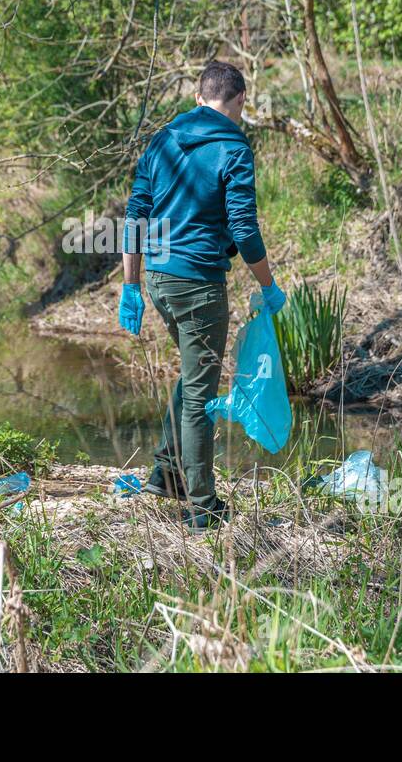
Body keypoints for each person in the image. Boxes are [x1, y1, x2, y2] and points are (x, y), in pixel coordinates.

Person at [118, 59, 286, 532]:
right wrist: (268, 286)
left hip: (159, 280)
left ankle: (165, 474)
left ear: (198, 97)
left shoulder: (161, 140)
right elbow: (244, 229)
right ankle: (201, 504)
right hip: (198, 284)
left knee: (194, 373)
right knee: (200, 392)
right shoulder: (234, 147)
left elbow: (135, 217)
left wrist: (131, 286)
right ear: (238, 102)